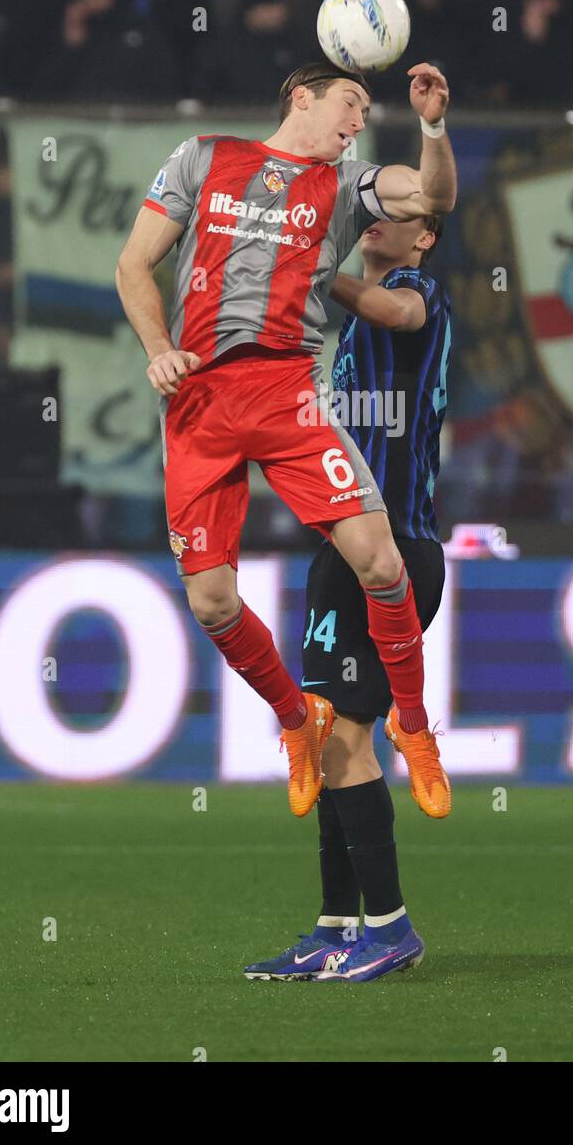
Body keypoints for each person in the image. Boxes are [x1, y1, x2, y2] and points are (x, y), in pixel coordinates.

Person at [115, 60, 457, 820]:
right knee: (210, 603)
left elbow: (432, 196)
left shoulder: (346, 185)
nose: (359, 119)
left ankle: (414, 723)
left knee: (379, 558)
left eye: (367, 109)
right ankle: (298, 723)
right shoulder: (203, 157)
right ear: (301, 98)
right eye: (350, 102)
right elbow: (134, 263)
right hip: (199, 395)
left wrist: (432, 126)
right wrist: (156, 348)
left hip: (285, 392)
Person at [244, 209, 451, 983]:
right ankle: (335, 926)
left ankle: (390, 928)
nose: (374, 221)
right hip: (344, 551)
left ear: (424, 236)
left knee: (347, 743)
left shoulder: (416, 292)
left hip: (390, 553)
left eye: (395, 216)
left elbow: (391, 307)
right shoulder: (350, 333)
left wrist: (303, 264)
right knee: (329, 735)